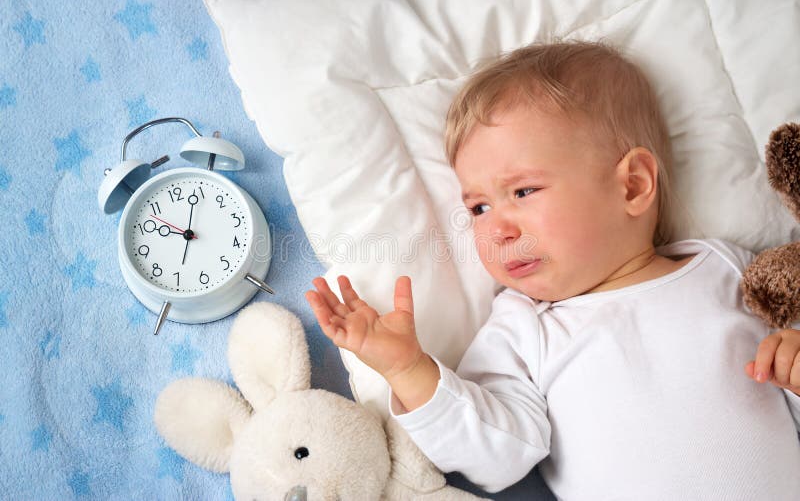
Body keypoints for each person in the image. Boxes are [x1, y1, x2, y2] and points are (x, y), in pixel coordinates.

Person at [304, 41, 800, 498]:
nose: (496, 228)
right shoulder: (523, 328)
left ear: (631, 186)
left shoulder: (727, 269)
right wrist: (407, 369)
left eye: (522, 192)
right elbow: (496, 456)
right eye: (478, 209)